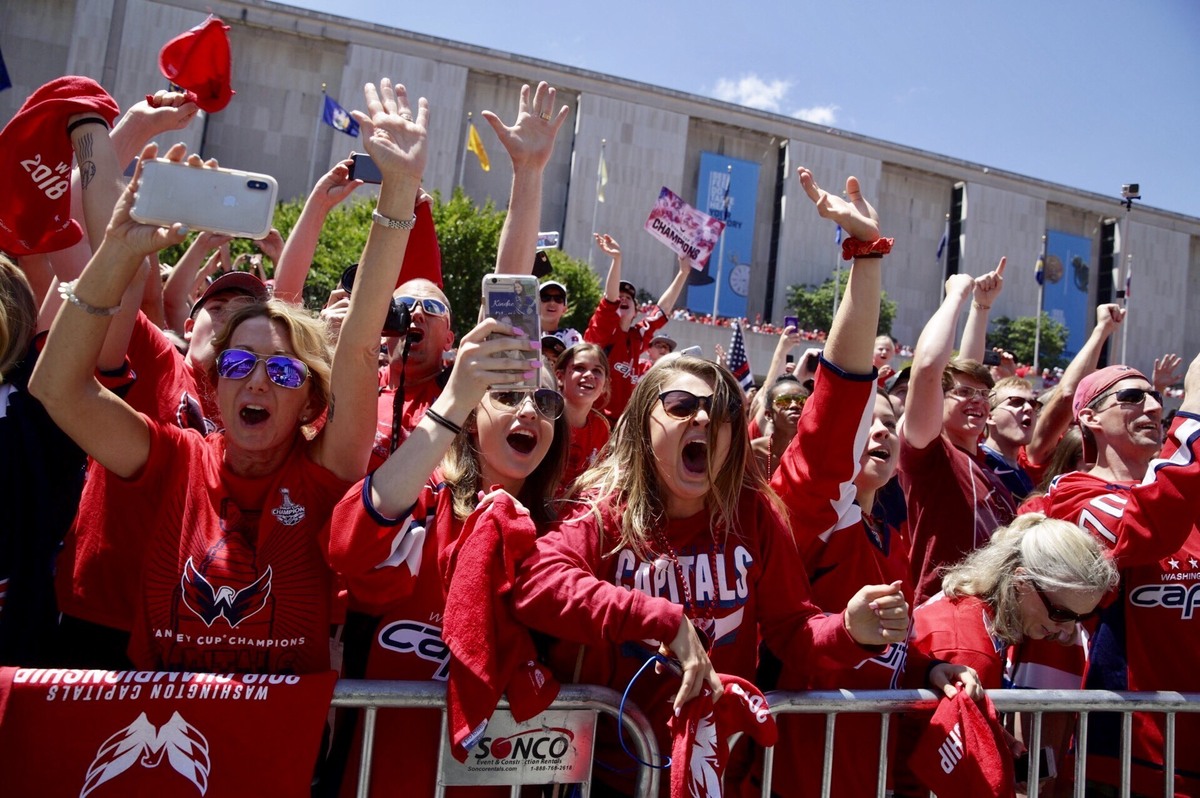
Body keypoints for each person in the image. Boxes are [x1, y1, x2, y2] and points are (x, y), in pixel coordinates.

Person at [31, 77, 429, 672]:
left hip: (267, 755)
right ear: (214, 386)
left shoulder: (327, 473)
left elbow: (357, 344)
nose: (257, 383)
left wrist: (397, 193)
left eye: (283, 372)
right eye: (238, 364)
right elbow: (57, 387)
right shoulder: (172, 460)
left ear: (312, 399)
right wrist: (117, 251)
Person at [510, 354, 932, 796]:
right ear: (642, 423)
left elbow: (793, 628)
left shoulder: (754, 513)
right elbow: (536, 583)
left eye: (725, 410)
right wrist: (661, 618)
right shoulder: (604, 509)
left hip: (719, 777)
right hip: (615, 778)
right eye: (680, 405)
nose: (706, 417)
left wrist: (847, 630)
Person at [326, 316, 566, 797]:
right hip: (378, 778)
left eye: (545, 401)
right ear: (472, 417)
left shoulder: (560, 538)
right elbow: (347, 547)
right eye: (505, 395)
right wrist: (452, 401)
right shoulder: (424, 505)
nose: (528, 411)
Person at [1032, 359, 1200, 795]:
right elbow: (1142, 531)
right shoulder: (1072, 497)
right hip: (1129, 751)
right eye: (1131, 397)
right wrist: (1194, 413)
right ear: (1088, 416)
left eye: (1157, 398)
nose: (1152, 407)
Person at [894, 513, 1119, 797]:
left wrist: (997, 741)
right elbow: (944, 766)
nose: (1065, 631)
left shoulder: (971, 611)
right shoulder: (971, 651)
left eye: (1082, 618)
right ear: (1021, 581)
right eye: (1061, 613)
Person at [899, 264, 1017, 603]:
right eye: (964, 394)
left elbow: (967, 370)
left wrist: (982, 307)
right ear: (939, 400)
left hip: (992, 618)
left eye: (984, 396)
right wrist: (956, 296)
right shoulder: (929, 453)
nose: (977, 402)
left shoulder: (980, 464)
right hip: (943, 619)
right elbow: (927, 371)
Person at [584, 234, 691, 422]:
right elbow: (609, 302)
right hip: (595, 420)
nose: (622, 299)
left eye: (628, 298)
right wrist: (617, 259)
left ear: (636, 311)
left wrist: (683, 273)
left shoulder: (637, 336)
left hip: (622, 424)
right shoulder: (601, 333)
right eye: (619, 296)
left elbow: (663, 310)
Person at [555, 341, 611, 491]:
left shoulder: (602, 428)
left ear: (605, 384)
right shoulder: (545, 419)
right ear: (560, 377)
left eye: (597, 371)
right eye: (579, 368)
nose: (589, 375)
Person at [981, 376, 1042, 501]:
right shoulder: (978, 461)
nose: (1029, 408)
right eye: (1016, 402)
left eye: (1033, 404)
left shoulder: (1024, 475)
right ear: (990, 416)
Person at [750, 374, 807, 476]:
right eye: (784, 401)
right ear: (768, 415)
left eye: (801, 401)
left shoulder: (814, 454)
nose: (794, 405)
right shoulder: (750, 452)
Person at [538, 279, 581, 347]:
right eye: (545, 297)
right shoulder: (524, 334)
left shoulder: (571, 335)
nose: (552, 303)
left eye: (558, 299)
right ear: (535, 305)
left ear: (564, 309)